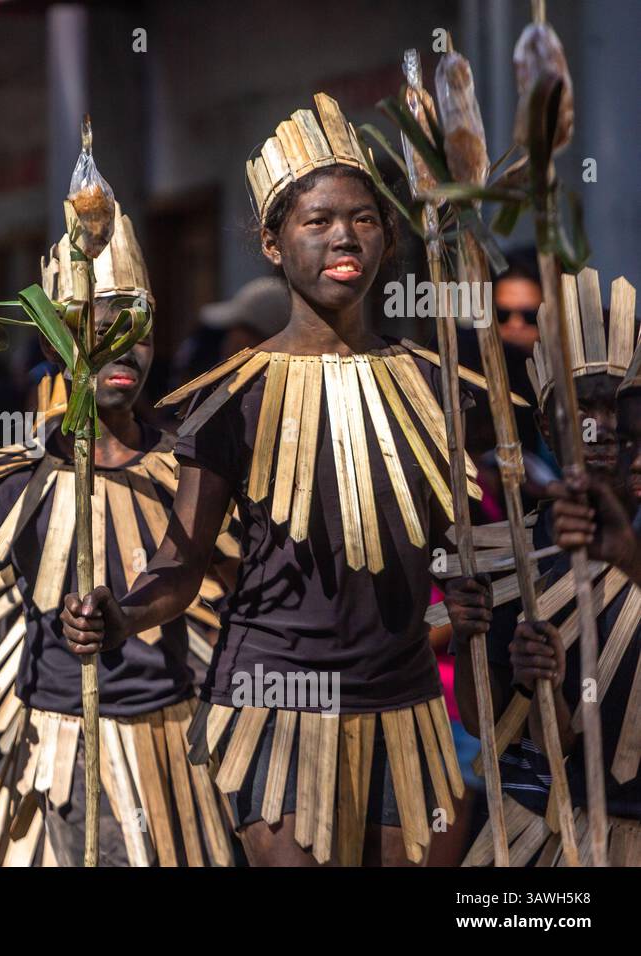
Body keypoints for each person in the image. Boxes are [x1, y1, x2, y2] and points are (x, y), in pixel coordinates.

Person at [60, 93, 518, 866]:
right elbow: (182, 566)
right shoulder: (231, 399)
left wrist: (474, 598)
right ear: (273, 244)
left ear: (388, 236)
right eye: (318, 221)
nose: (345, 235)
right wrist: (120, 616)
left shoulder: (439, 386)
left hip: (402, 703)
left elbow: (459, 550)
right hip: (274, 703)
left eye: (365, 218)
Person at [0, 207, 235, 867]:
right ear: (54, 347)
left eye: (136, 326)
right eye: (97, 327)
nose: (122, 347)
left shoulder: (191, 466)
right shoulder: (18, 475)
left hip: (177, 751)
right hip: (56, 758)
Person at [449, 270, 641, 866]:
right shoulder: (515, 554)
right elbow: (490, 726)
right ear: (546, 424)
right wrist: (473, 640)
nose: (601, 429)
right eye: (582, 408)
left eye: (617, 410)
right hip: (551, 834)